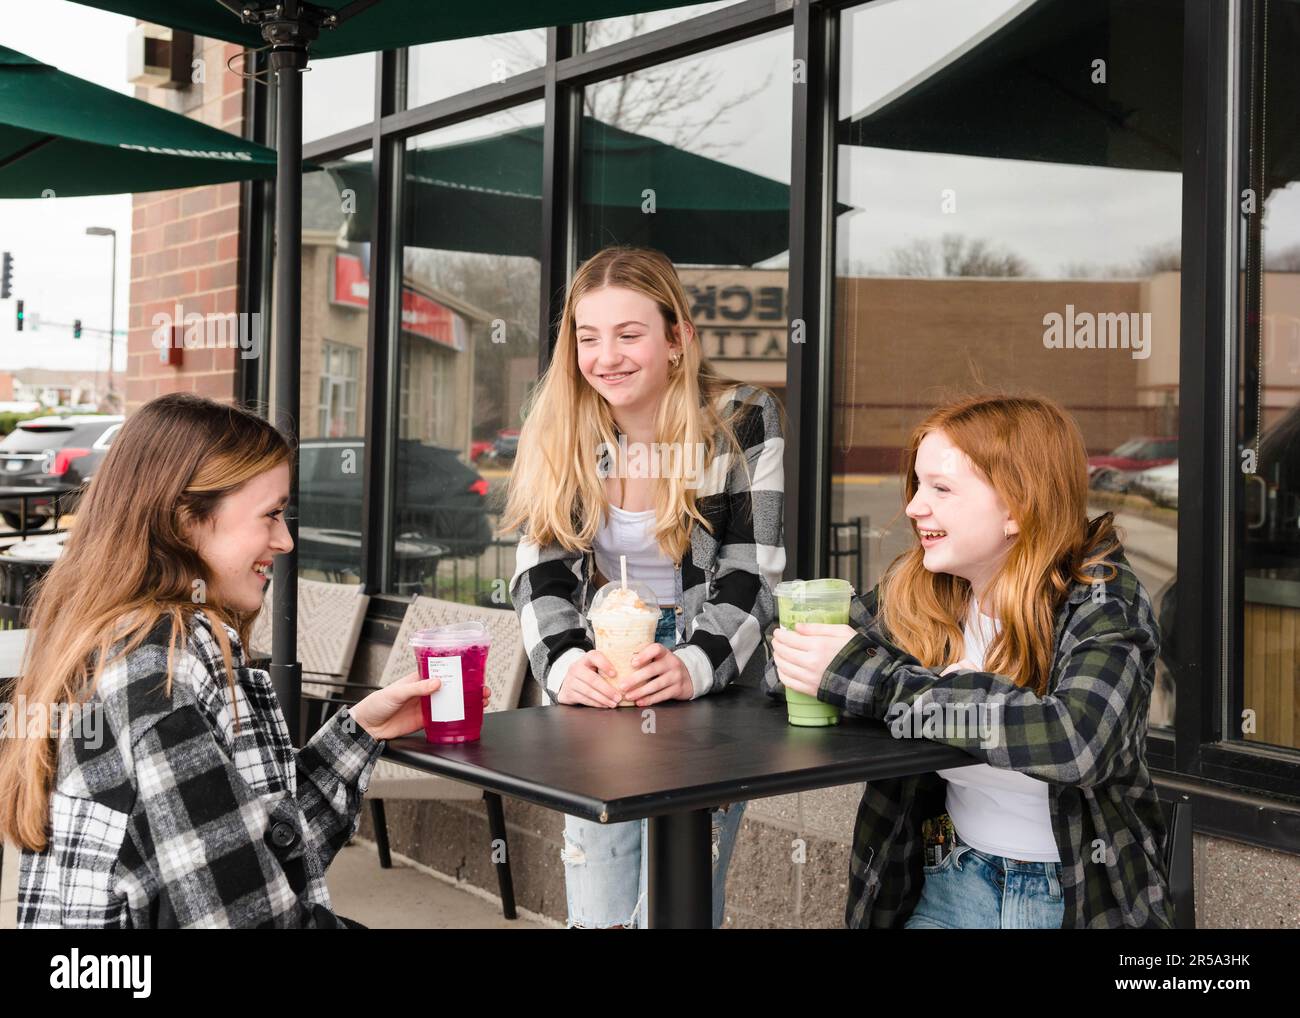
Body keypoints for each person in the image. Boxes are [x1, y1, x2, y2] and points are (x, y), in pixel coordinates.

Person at [0, 392, 485, 928]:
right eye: (271, 514)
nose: (286, 539)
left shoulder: (131, 643)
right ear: (186, 520)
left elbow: (250, 860)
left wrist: (363, 730)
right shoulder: (157, 674)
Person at [770, 394, 1173, 929]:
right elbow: (789, 666)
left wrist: (896, 689)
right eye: (917, 485)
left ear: (1016, 506)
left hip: (1070, 894)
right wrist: (824, 667)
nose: (914, 506)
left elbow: (1079, 741)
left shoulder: (1102, 598)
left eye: (941, 488)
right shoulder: (926, 588)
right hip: (949, 878)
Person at [502, 244, 786, 928]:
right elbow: (537, 571)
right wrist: (568, 665)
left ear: (678, 338)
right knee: (599, 899)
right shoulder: (566, 424)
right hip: (604, 659)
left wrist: (690, 667)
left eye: (629, 334)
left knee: (676, 902)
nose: (607, 357)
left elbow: (753, 573)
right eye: (588, 337)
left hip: (710, 670)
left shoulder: (741, 421)